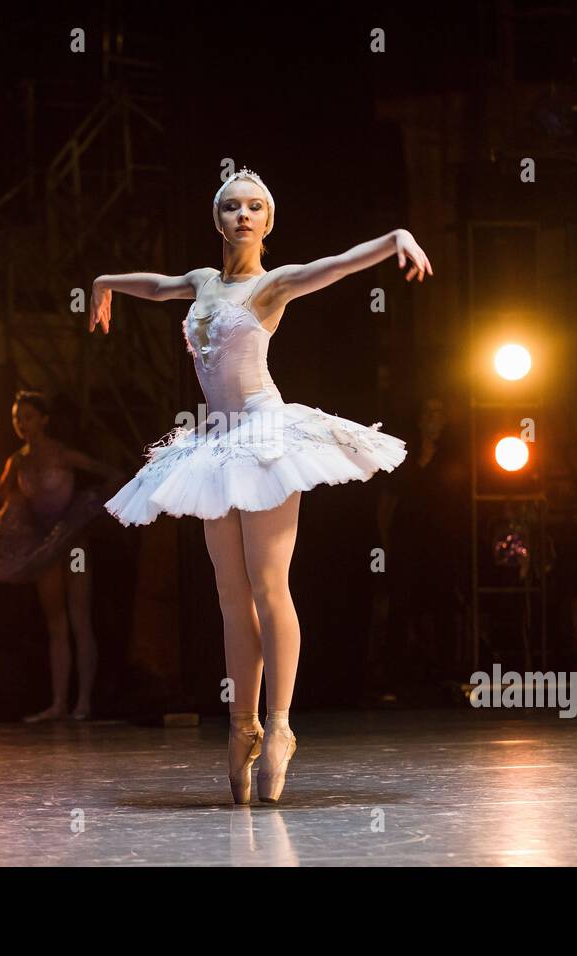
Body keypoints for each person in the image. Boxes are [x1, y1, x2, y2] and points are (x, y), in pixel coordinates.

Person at [89, 168, 433, 803]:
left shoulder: (273, 285)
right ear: (216, 219)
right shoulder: (201, 283)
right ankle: (241, 725)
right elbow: (159, 285)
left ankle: (280, 727)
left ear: (267, 222)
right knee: (229, 592)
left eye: (254, 207)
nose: (242, 215)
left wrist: (396, 237)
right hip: (215, 442)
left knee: (269, 583)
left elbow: (337, 266)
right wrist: (105, 282)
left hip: (265, 436)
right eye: (230, 206)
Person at [0, 390, 127, 722]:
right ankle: (59, 702)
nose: (22, 424)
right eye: (18, 419)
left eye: (29, 417)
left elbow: (111, 473)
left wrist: (87, 511)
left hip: (72, 543)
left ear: (43, 419)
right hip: (46, 545)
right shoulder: (17, 461)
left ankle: (83, 703)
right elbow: (7, 497)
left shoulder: (62, 454)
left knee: (79, 620)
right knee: (56, 625)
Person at [374, 396, 457, 703]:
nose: (435, 419)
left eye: (440, 412)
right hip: (407, 542)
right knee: (401, 607)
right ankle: (393, 679)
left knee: (442, 607)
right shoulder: (405, 457)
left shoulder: (453, 459)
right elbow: (387, 502)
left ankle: (445, 677)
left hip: (440, 545)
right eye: (430, 412)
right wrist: (385, 543)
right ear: (421, 419)